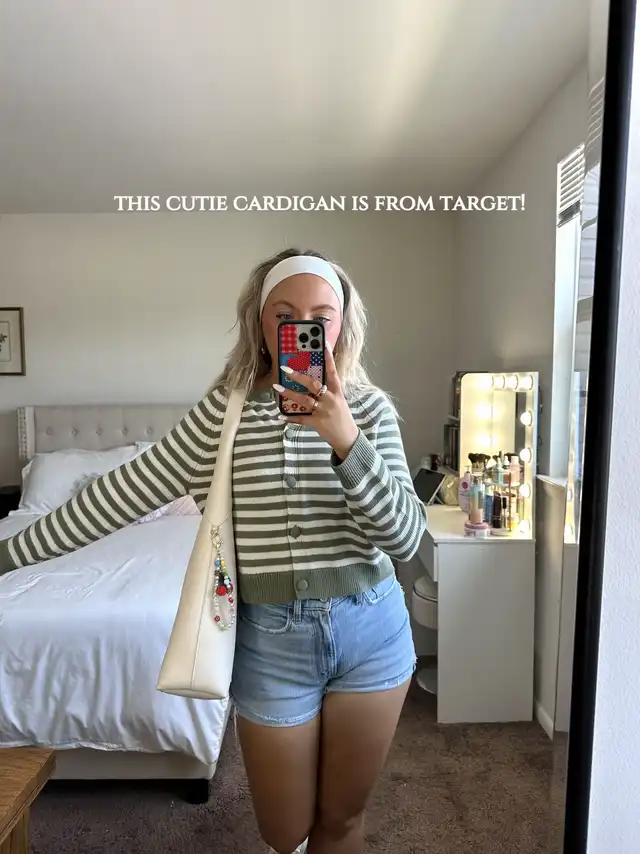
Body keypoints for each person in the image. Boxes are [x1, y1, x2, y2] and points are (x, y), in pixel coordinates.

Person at [0, 247, 427, 854]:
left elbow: (404, 537)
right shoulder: (223, 414)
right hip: (272, 644)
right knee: (284, 831)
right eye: (284, 314)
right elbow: (116, 495)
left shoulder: (369, 409)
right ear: (260, 321)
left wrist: (345, 440)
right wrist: (9, 554)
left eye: (320, 316)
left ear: (341, 324)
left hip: (372, 632)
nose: (302, 328)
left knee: (342, 823)